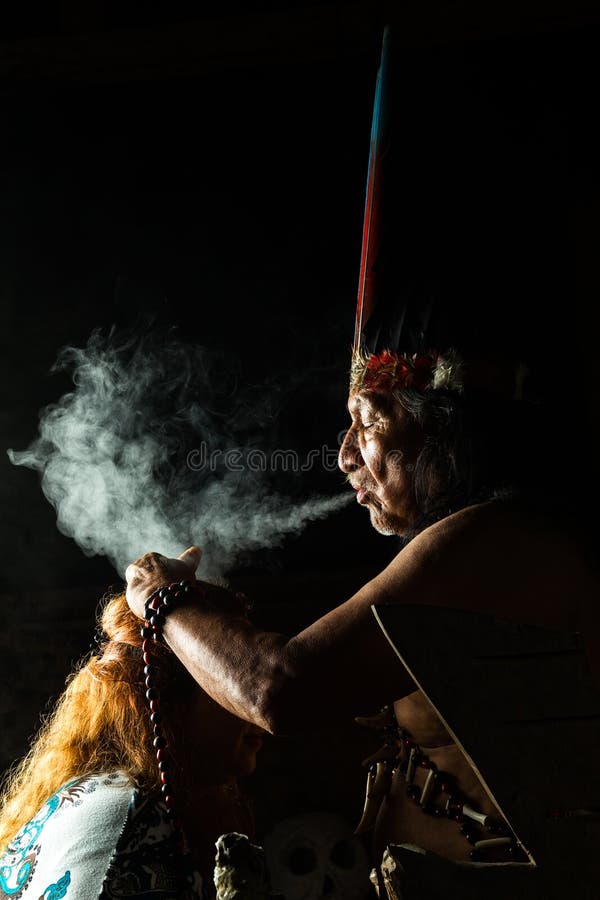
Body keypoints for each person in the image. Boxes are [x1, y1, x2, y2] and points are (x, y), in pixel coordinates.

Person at [122, 30, 600, 896]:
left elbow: (280, 689)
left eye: (367, 421)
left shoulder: (493, 543)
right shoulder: (484, 541)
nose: (343, 455)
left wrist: (163, 598)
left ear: (444, 427)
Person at [0, 591, 264, 899]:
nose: (255, 713)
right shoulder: (133, 814)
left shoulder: (108, 795)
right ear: (168, 699)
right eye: (234, 686)